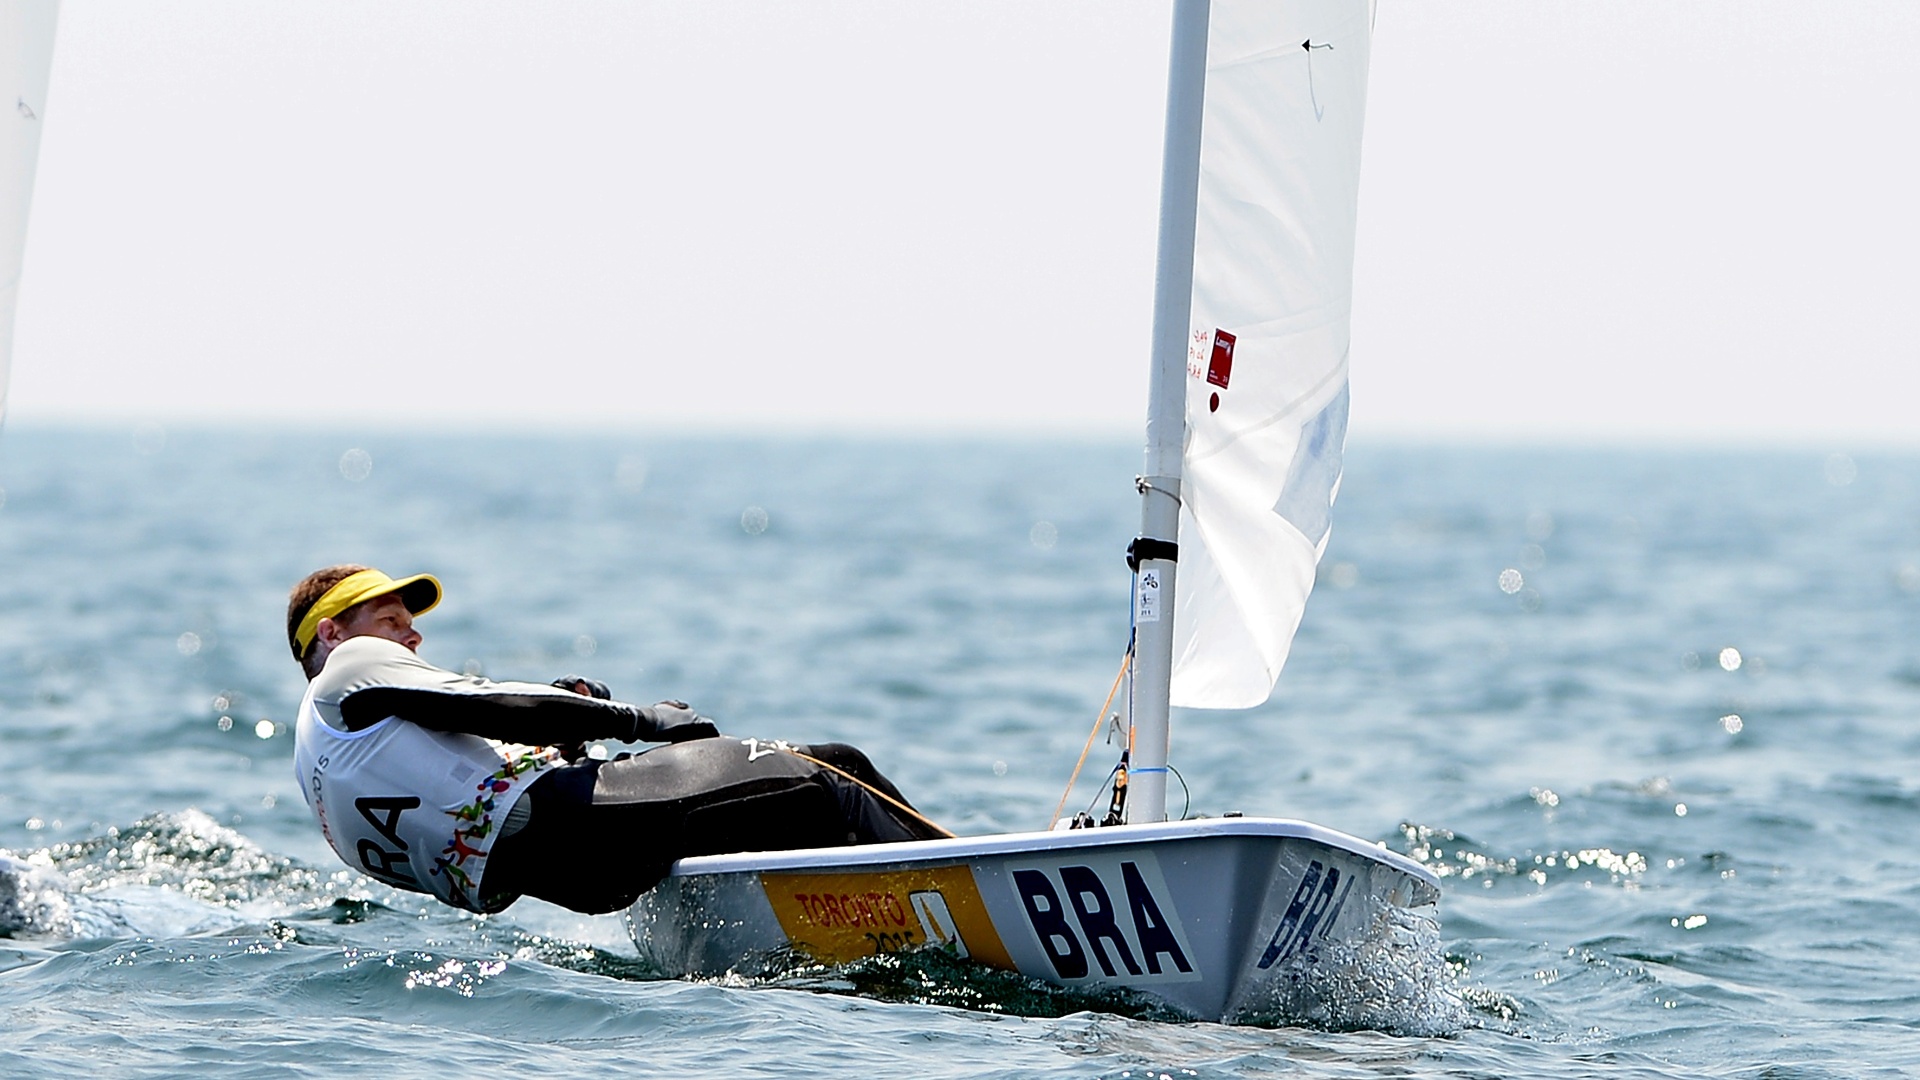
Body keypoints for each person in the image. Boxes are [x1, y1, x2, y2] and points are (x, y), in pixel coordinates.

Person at [287, 564, 944, 916]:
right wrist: (639, 720)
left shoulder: (318, 759)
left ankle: (860, 919)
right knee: (824, 772)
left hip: (576, 882)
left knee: (793, 797)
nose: (412, 635)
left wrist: (567, 732)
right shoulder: (349, 669)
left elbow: (471, 812)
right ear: (332, 635)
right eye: (391, 619)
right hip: (578, 820)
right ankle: (974, 885)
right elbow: (491, 704)